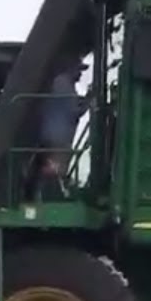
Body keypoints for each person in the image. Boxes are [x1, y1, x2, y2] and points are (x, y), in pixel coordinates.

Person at [33, 56, 89, 196]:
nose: (81, 74)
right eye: (79, 70)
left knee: (54, 171)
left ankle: (45, 191)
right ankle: (49, 196)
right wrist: (89, 101)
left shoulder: (62, 84)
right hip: (58, 138)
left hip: (54, 135)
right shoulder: (63, 85)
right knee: (55, 171)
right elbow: (73, 111)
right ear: (70, 69)